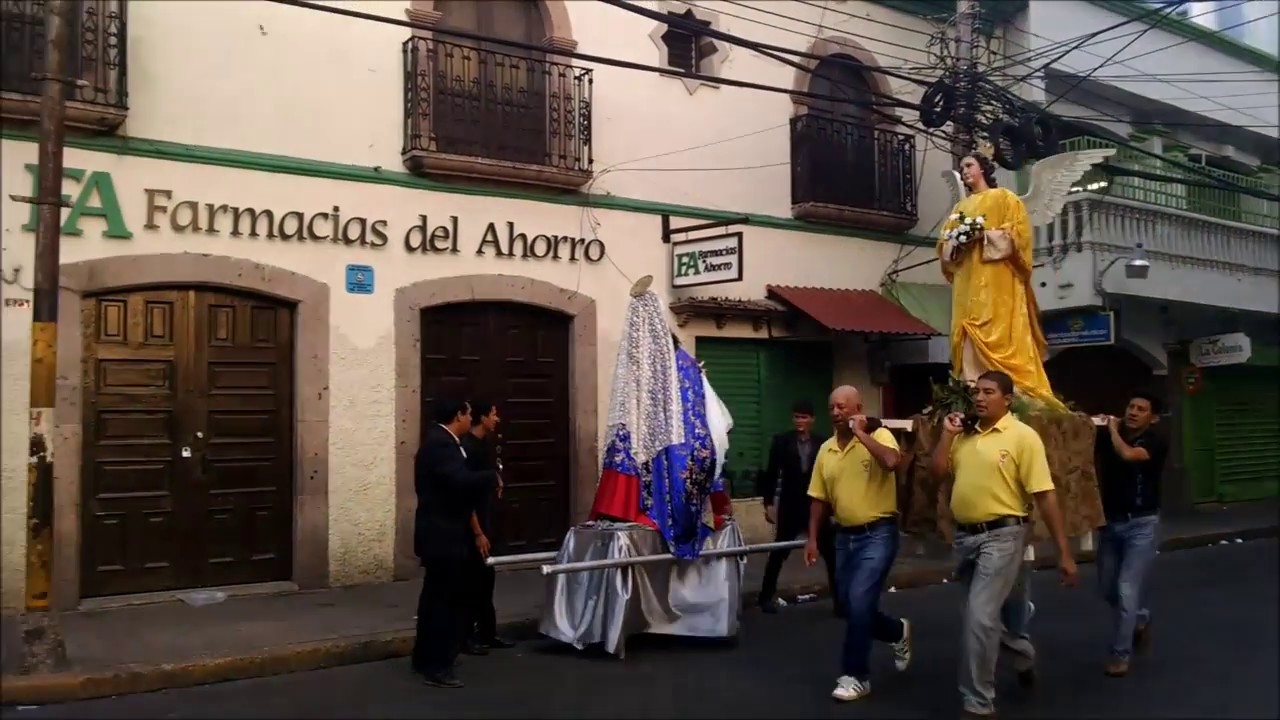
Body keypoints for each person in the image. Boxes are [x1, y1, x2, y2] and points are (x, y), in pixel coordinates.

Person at [928, 370, 1078, 719]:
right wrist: (946, 435)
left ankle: (978, 703)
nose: (979, 398)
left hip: (1004, 536)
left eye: (988, 392)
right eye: (976, 392)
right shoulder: (964, 435)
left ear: (1007, 400)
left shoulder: (1023, 437)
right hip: (965, 537)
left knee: (979, 617)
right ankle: (1023, 654)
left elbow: (1045, 495)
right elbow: (936, 473)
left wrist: (1064, 553)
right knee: (979, 619)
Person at [805, 385, 912, 703]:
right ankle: (896, 631)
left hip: (878, 533)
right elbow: (818, 498)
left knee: (860, 599)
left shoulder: (879, 436)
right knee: (850, 606)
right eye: (832, 408)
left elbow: (892, 462)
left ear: (858, 409)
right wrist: (812, 538)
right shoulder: (826, 450)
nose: (836, 413)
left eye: (843, 407)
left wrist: (862, 434)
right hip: (843, 537)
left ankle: (856, 676)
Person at [937, 150, 1064, 411]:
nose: (964, 171)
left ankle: (1009, 393)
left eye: (969, 165)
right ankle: (972, 392)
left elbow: (1019, 235)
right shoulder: (959, 209)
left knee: (1000, 330)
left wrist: (983, 235)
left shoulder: (1005, 198)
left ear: (983, 168)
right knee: (968, 332)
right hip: (968, 282)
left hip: (997, 282)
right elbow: (944, 246)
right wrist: (957, 243)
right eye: (962, 167)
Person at [412, 397, 498, 689]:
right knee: (446, 603)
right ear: (458, 415)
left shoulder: (441, 441)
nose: (470, 418)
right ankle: (439, 666)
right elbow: (457, 481)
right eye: (468, 414)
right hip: (443, 535)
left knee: (434, 598)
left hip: (439, 533)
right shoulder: (442, 445)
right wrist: (490, 476)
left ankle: (425, 657)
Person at [1094, 390, 1167, 678]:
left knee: (1126, 589)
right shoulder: (1108, 436)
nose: (1133, 412)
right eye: (1131, 406)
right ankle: (1140, 618)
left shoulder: (1156, 441)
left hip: (1142, 524)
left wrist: (1111, 428)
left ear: (1153, 418)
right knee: (1107, 589)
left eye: (1141, 409)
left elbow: (1128, 455)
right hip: (1110, 523)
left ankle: (1120, 654)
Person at [756, 400, 836, 615]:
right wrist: (768, 503)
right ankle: (765, 597)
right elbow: (771, 473)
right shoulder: (782, 441)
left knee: (831, 552)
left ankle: (840, 600)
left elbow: (830, 476)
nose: (800, 421)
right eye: (797, 417)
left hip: (816, 504)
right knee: (779, 552)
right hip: (790, 505)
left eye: (804, 417)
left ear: (812, 420)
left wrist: (833, 507)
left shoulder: (823, 443)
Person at [459, 400, 516, 656]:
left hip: (488, 516)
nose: (497, 419)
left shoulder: (487, 444)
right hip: (474, 523)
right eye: (493, 414)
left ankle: (487, 632)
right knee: (472, 581)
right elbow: (466, 494)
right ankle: (466, 635)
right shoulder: (467, 448)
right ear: (482, 417)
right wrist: (477, 532)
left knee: (486, 579)